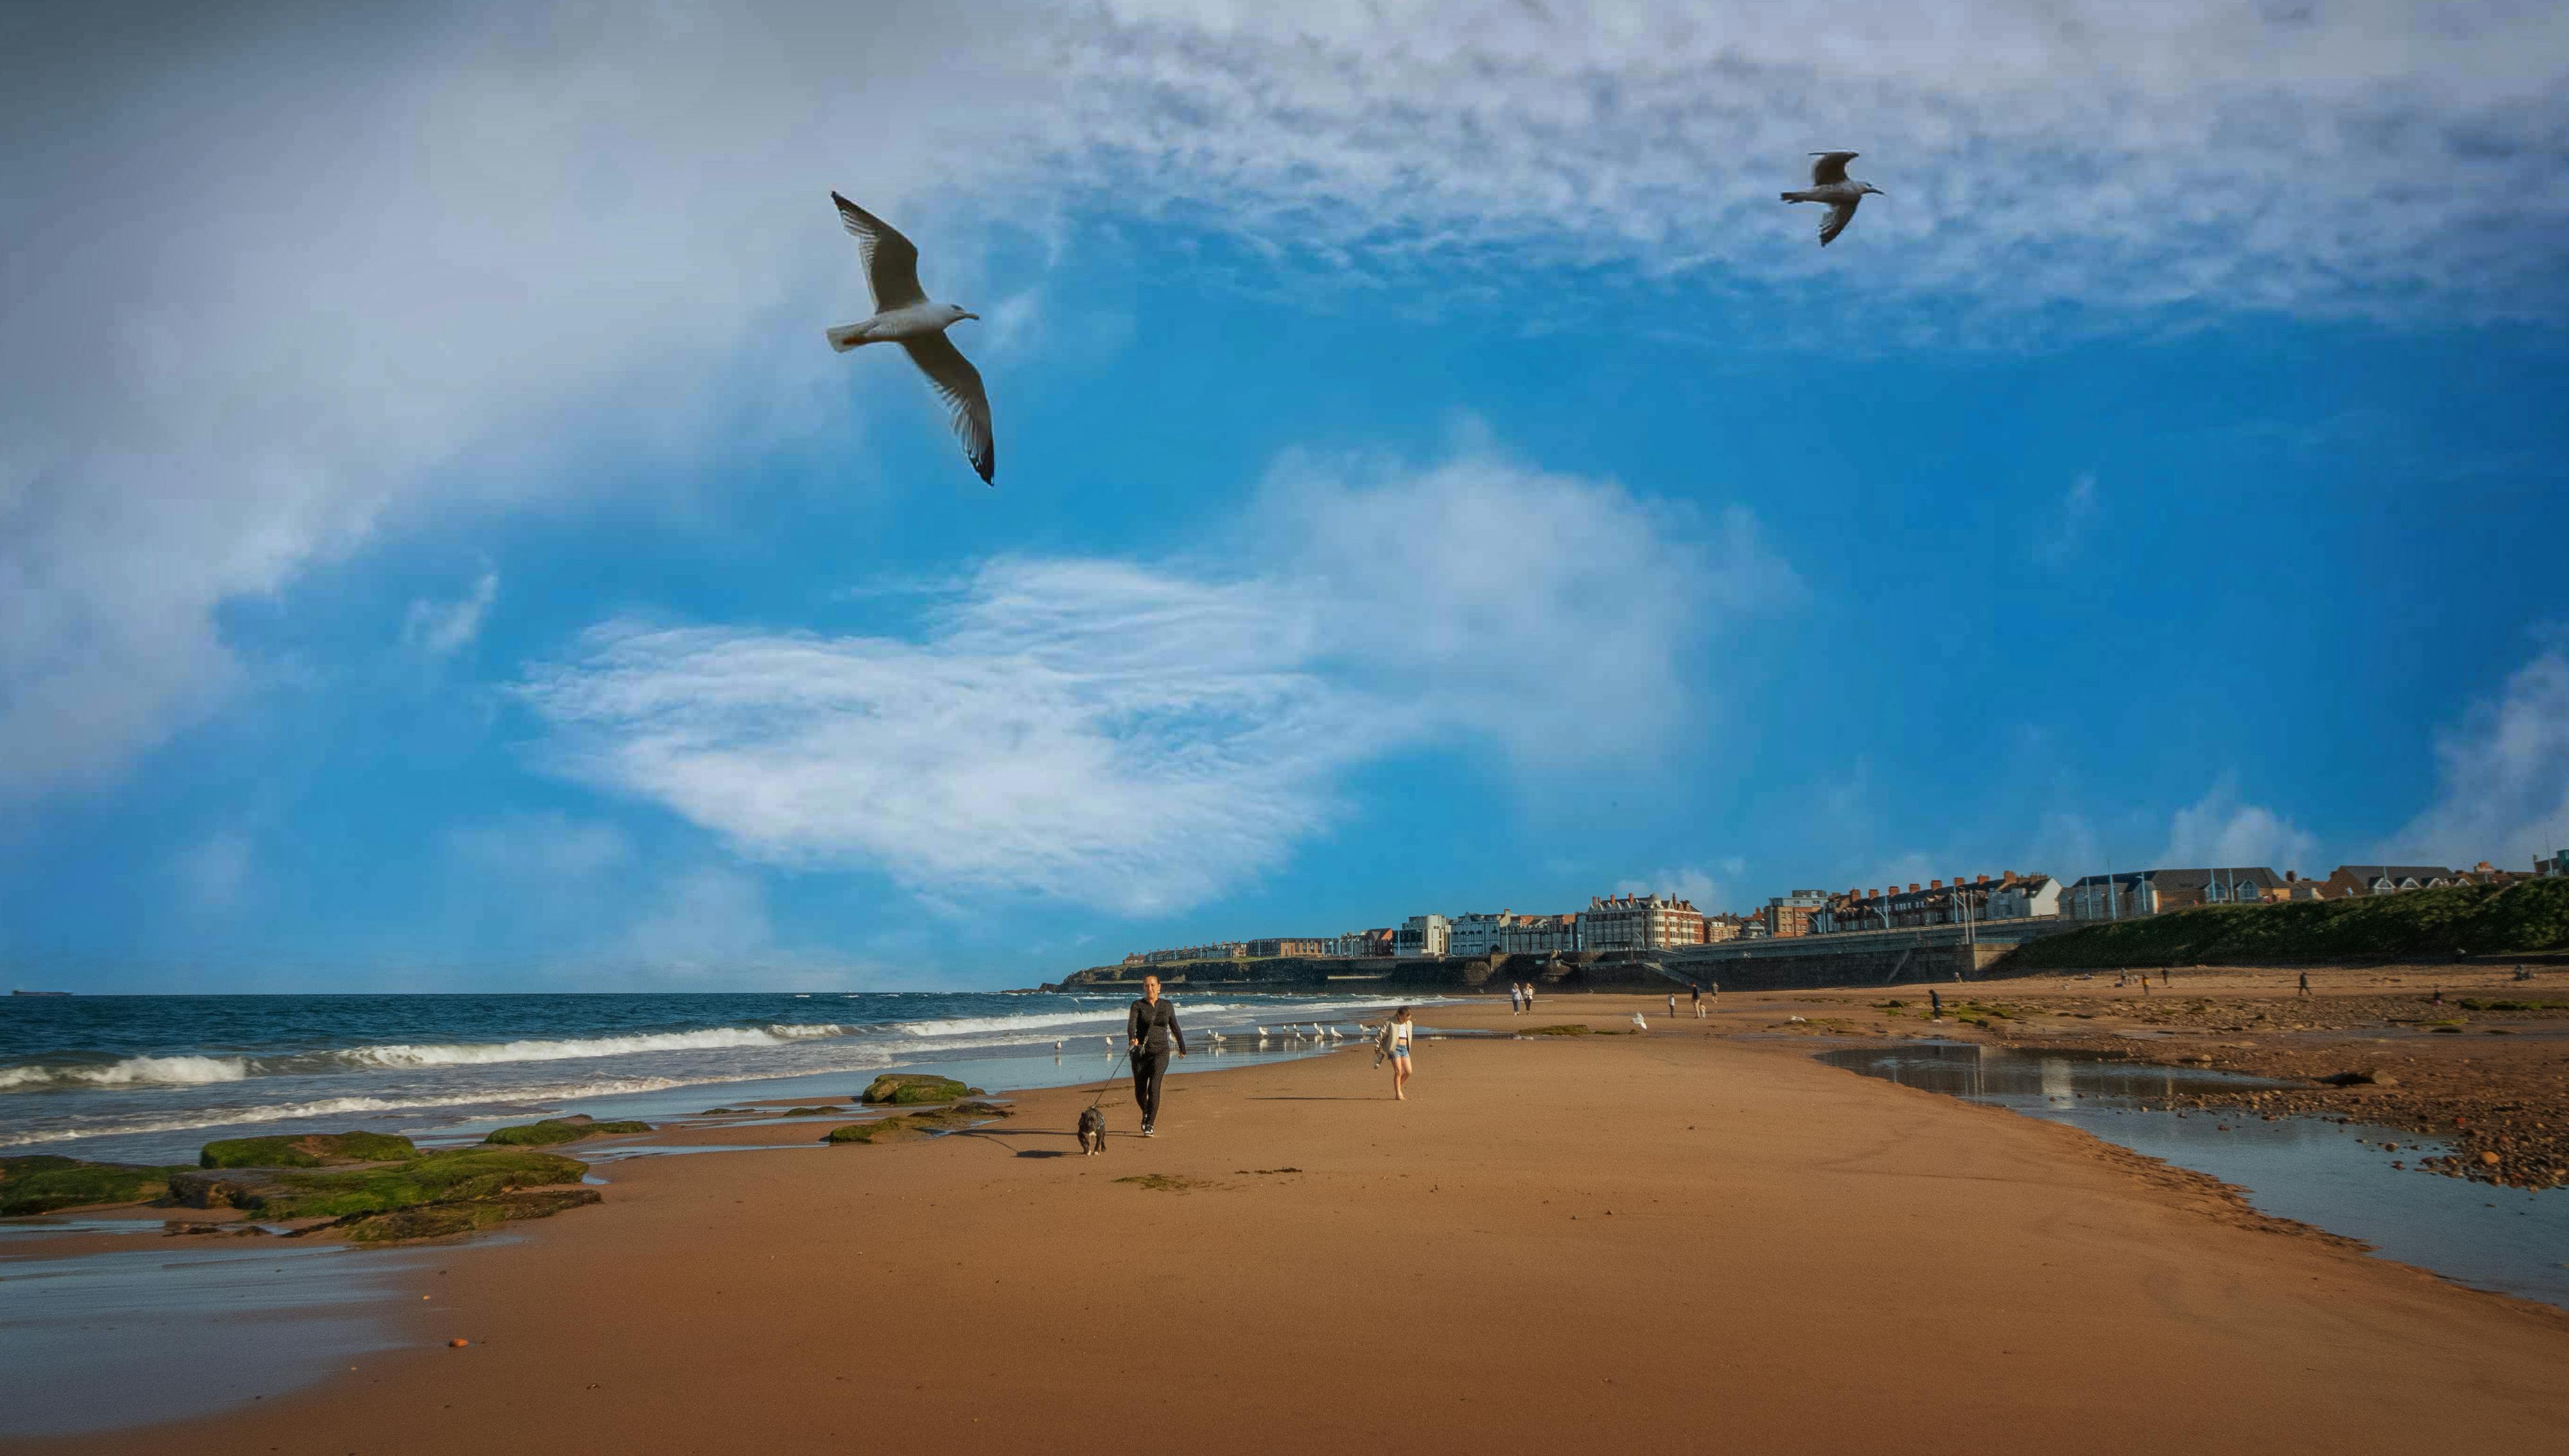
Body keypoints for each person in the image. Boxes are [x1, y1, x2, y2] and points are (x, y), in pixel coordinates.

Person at [1125, 974, 1187, 1136]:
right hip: (1141, 1054)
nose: (1150, 988)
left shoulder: (1167, 1006)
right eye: (1147, 985)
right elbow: (1131, 1025)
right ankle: (1146, 1111)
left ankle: (1150, 1124)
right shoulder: (1137, 1005)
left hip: (1161, 1052)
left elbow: (1175, 1026)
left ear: (1159, 987)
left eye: (1153, 985)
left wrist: (1182, 1047)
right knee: (1140, 1092)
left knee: (1154, 1086)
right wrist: (1132, 1038)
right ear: (1143, 988)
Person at [1381, 1005, 1416, 1100]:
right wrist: (1378, 1047)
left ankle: (1397, 1087)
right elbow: (1381, 1034)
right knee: (1398, 1071)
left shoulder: (1409, 1023)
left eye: (1407, 1019)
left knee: (1409, 1071)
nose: (1405, 1021)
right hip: (1394, 1048)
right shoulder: (1390, 1022)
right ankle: (1398, 1093)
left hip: (1404, 1048)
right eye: (1404, 1019)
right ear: (1399, 1015)